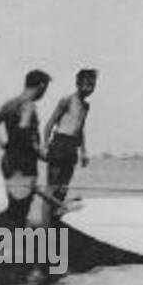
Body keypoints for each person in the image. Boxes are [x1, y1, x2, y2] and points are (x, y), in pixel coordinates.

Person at [0, 69, 51, 225]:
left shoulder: (10, 104)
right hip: (24, 164)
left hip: (8, 162)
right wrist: (40, 152)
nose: (45, 93)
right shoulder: (28, 106)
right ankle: (11, 243)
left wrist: (3, 145)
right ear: (41, 86)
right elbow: (23, 131)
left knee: (11, 207)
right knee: (20, 211)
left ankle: (3, 242)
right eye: (45, 89)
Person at [43, 68, 97, 205]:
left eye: (92, 85)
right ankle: (44, 219)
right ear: (78, 84)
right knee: (52, 186)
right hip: (59, 143)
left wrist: (84, 152)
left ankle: (54, 215)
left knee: (63, 187)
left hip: (72, 146)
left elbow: (80, 128)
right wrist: (45, 145)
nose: (89, 88)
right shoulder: (66, 100)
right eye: (86, 84)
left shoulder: (86, 106)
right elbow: (49, 124)